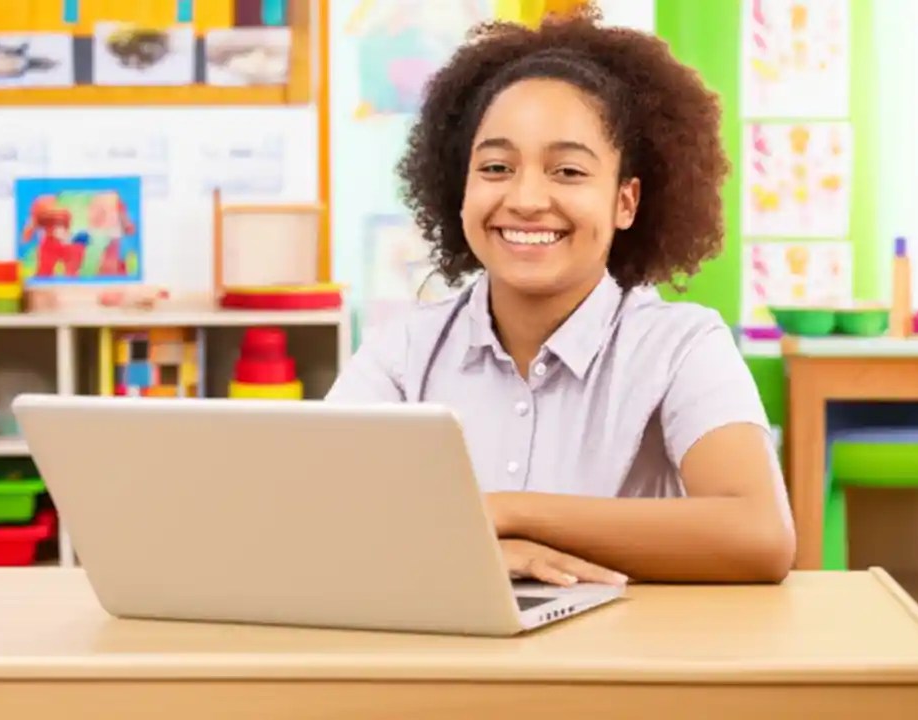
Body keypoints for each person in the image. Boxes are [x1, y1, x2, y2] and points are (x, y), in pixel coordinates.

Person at [326, 7, 795, 587]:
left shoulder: (681, 347)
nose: (525, 199)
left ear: (625, 202)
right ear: (461, 190)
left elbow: (759, 536)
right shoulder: (402, 352)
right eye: (496, 167)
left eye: (568, 172)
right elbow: (314, 516)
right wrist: (474, 551)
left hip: (631, 644)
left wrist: (507, 514)